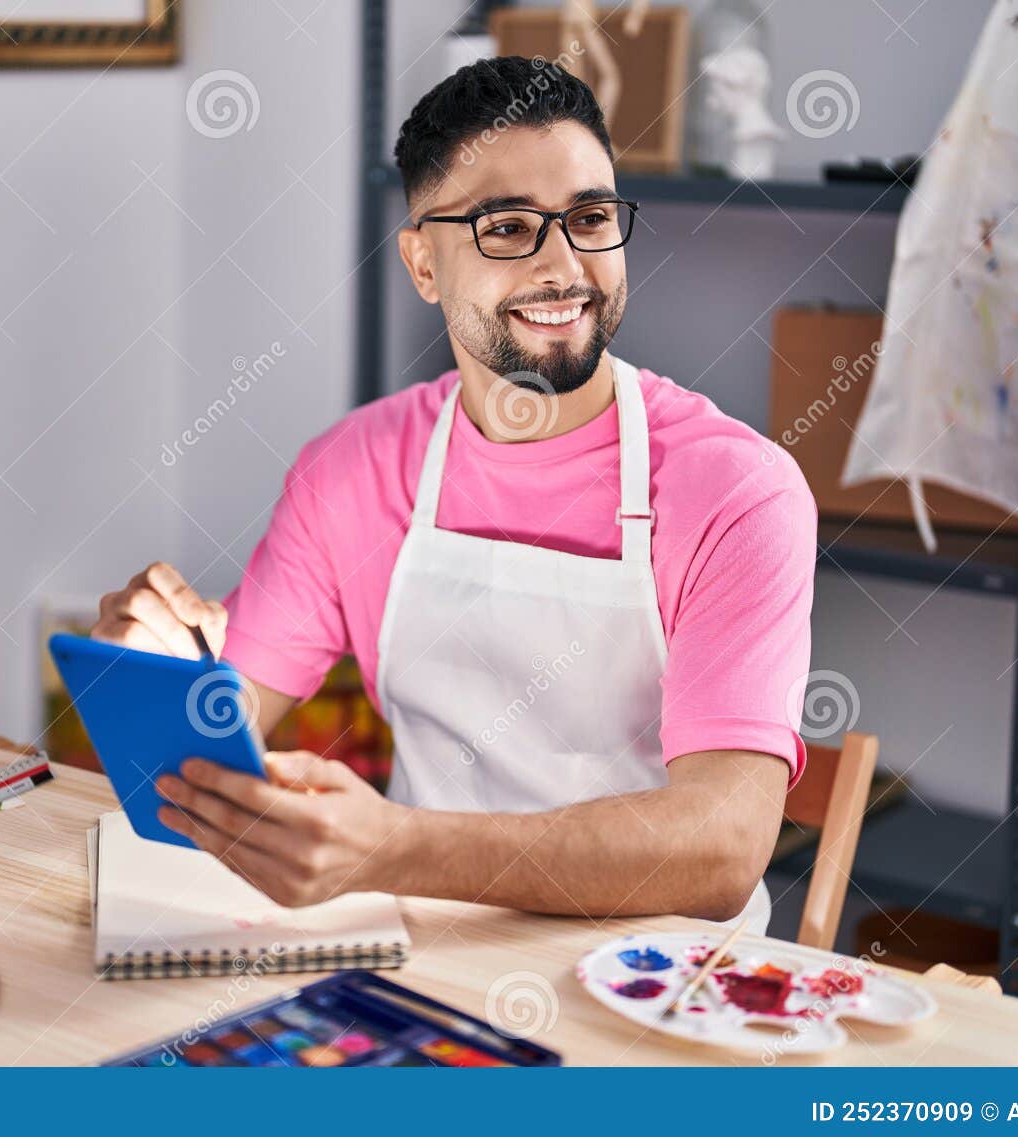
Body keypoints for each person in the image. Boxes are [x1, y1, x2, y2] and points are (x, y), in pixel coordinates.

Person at [91, 57, 816, 931]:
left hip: (656, 981)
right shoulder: (353, 470)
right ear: (423, 263)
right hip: (420, 956)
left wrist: (396, 848)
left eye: (590, 218)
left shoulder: (736, 491)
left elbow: (722, 849)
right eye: (507, 227)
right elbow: (215, 727)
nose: (564, 266)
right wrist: (149, 676)